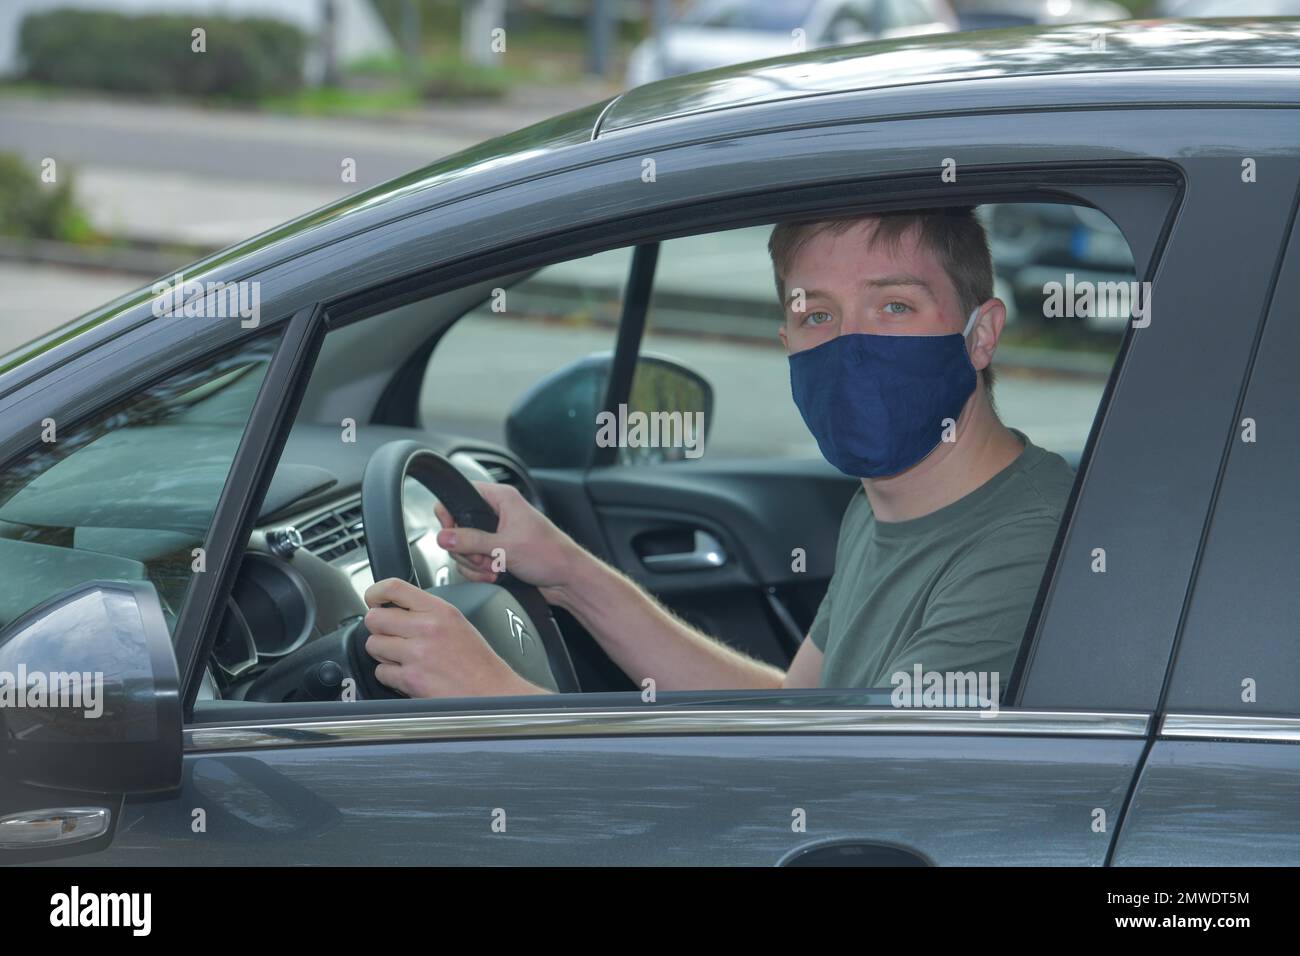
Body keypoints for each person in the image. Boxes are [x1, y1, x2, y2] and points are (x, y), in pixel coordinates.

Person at [359, 207, 1075, 699]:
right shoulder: (886, 501)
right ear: (786, 343)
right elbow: (795, 715)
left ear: (981, 335)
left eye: (894, 307)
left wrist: (491, 695)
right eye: (817, 315)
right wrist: (569, 572)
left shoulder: (1026, 547)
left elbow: (852, 793)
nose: (850, 346)